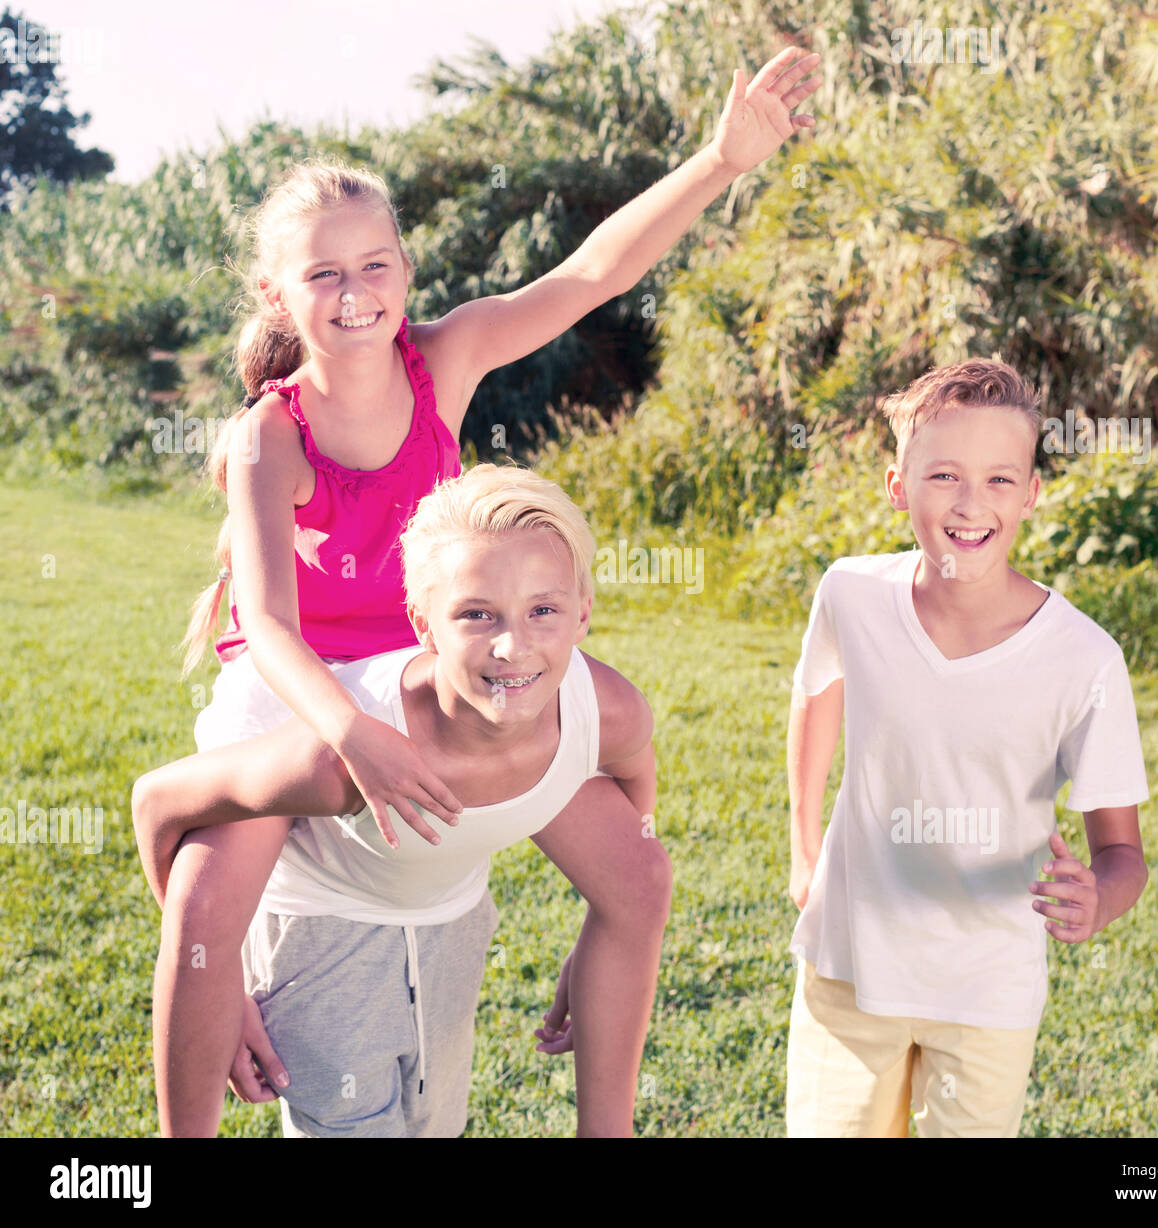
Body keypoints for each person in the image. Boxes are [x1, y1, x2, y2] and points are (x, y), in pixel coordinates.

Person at [135, 45, 823, 1137]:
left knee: (638, 876)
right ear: (279, 292)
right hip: (302, 673)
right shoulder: (270, 436)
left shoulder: (442, 359)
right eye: (322, 275)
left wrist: (717, 160)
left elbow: (590, 275)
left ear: (404, 270)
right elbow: (263, 621)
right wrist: (349, 737)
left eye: (375, 266)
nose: (356, 295)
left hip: (442, 645)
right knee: (211, 890)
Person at [136, 464, 658, 1137]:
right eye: (476, 614)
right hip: (327, 932)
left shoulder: (607, 713)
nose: (512, 646)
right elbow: (157, 803)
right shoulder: (341, 760)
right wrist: (219, 983)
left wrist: (611, 925)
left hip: (446, 918)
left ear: (583, 613)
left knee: (435, 1125)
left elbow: (637, 834)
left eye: (543, 610)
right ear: (422, 623)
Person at [784, 359, 1150, 1137]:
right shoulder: (850, 594)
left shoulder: (1085, 659)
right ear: (898, 487)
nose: (970, 503)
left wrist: (1099, 902)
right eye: (944, 475)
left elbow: (1122, 852)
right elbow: (817, 695)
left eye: (998, 479)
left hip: (988, 995)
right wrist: (803, 847)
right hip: (845, 970)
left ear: (1030, 495)